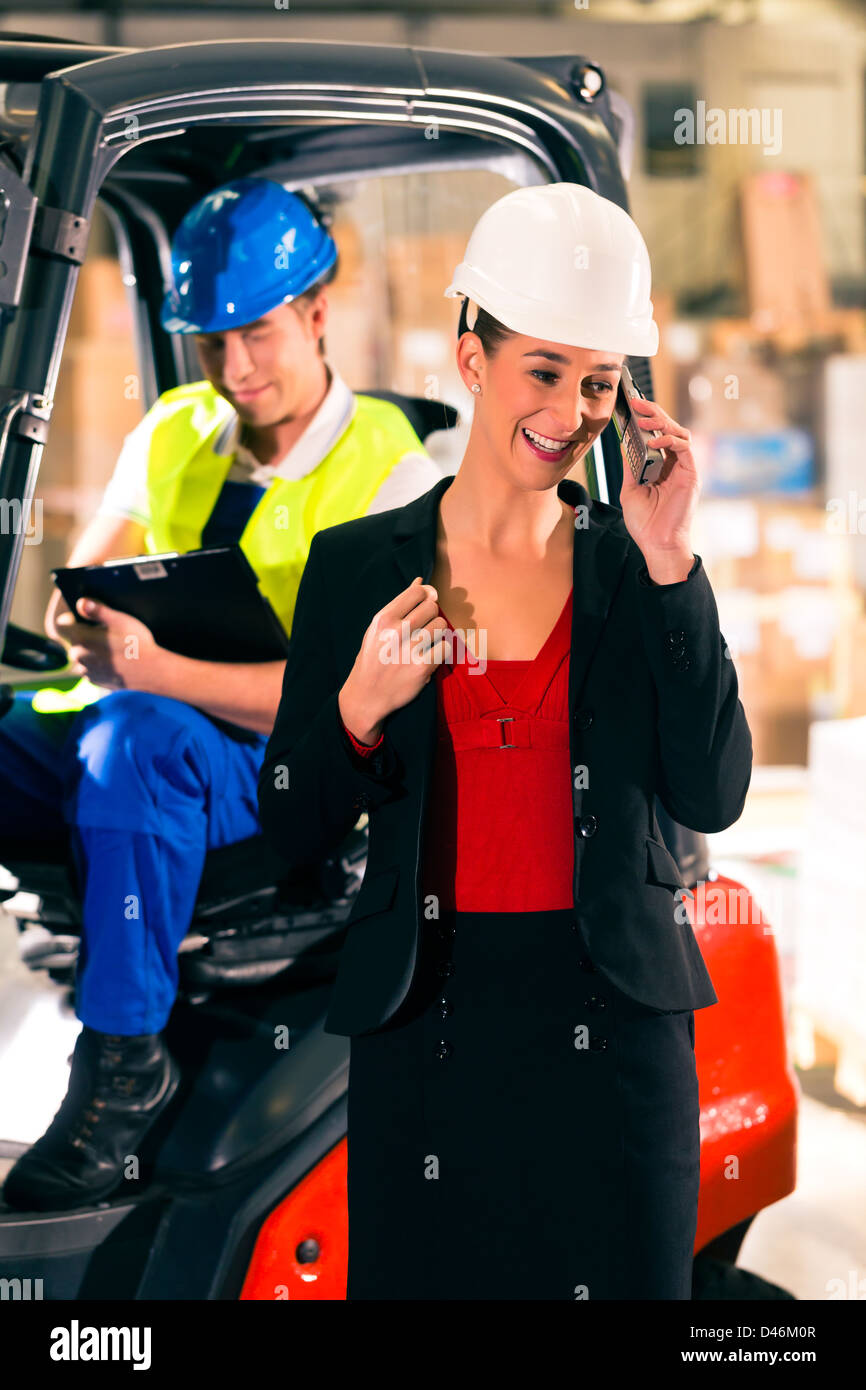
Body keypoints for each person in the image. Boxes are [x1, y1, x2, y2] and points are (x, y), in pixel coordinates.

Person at [256, 181, 753, 1301]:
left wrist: (673, 566)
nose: (572, 409)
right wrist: (356, 709)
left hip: (613, 1030)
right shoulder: (356, 568)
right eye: (543, 370)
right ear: (470, 357)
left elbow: (713, 790)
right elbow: (288, 819)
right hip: (427, 1030)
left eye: (598, 382)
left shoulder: (635, 567)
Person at [1, 176, 442, 1213]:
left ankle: (120, 1074)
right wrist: (82, 625)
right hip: (131, 713)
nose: (233, 368)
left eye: (255, 335)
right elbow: (88, 571)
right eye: (210, 343)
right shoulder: (173, 428)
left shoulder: (394, 477)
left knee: (136, 743)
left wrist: (154, 672)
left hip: (281, 760)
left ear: (318, 314)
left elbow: (353, 693)